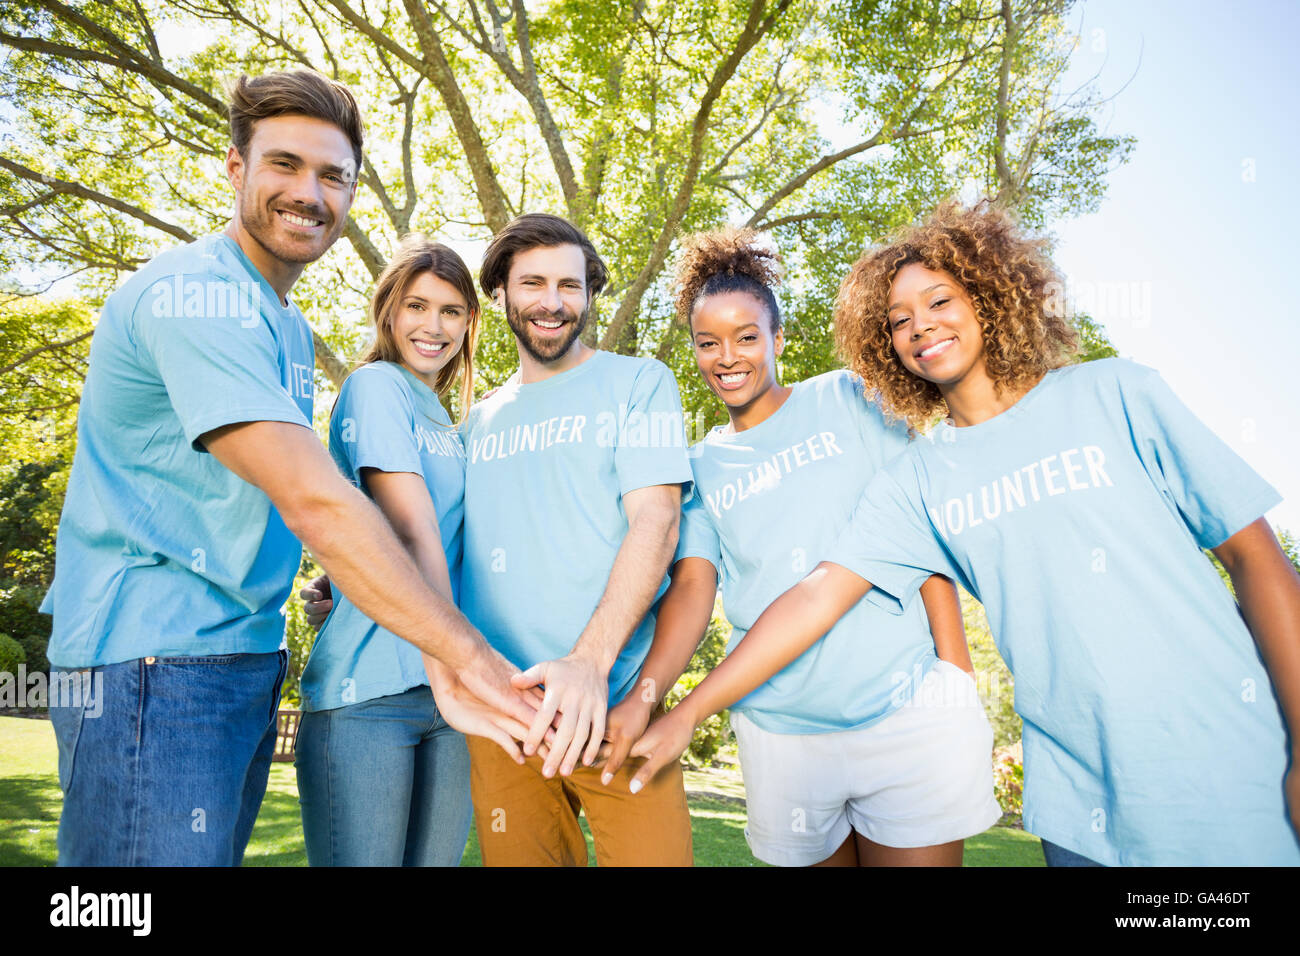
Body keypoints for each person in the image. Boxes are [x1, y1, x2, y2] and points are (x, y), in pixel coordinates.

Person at [629, 201, 1300, 867]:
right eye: (899, 321)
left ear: (989, 296)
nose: (922, 326)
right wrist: (687, 712)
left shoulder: (1117, 394)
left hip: (1232, 771)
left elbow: (1254, 554)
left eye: (941, 301)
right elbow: (815, 598)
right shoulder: (919, 479)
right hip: (1077, 809)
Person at [40, 70, 535, 867]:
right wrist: (467, 660)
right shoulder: (193, 295)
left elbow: (273, 503)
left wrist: (345, 586)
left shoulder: (287, 326)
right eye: (284, 164)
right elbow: (317, 502)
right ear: (235, 167)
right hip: (152, 664)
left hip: (242, 655)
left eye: (332, 175)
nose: (309, 192)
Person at [595, 229, 1000, 867]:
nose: (727, 357)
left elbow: (922, 537)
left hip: (904, 710)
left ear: (778, 340)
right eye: (708, 343)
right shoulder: (698, 466)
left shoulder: (849, 398)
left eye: (747, 337)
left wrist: (955, 670)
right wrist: (649, 697)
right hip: (781, 734)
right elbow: (695, 592)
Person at [295, 235, 537, 866]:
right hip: (370, 692)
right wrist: (452, 665)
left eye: (452, 311)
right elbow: (411, 532)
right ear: (389, 312)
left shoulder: (453, 423)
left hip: (453, 698)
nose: (434, 326)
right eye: (417, 306)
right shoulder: (375, 386)